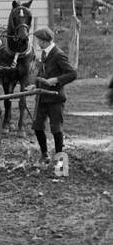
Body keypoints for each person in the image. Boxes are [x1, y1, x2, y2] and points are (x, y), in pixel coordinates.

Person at [32, 26, 76, 164]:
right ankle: (44, 155)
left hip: (55, 98)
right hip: (42, 97)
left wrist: (57, 80)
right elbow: (43, 74)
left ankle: (61, 162)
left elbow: (72, 74)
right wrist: (36, 85)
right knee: (37, 127)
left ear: (44, 41)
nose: (38, 43)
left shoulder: (58, 54)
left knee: (56, 129)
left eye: (39, 40)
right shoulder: (45, 53)